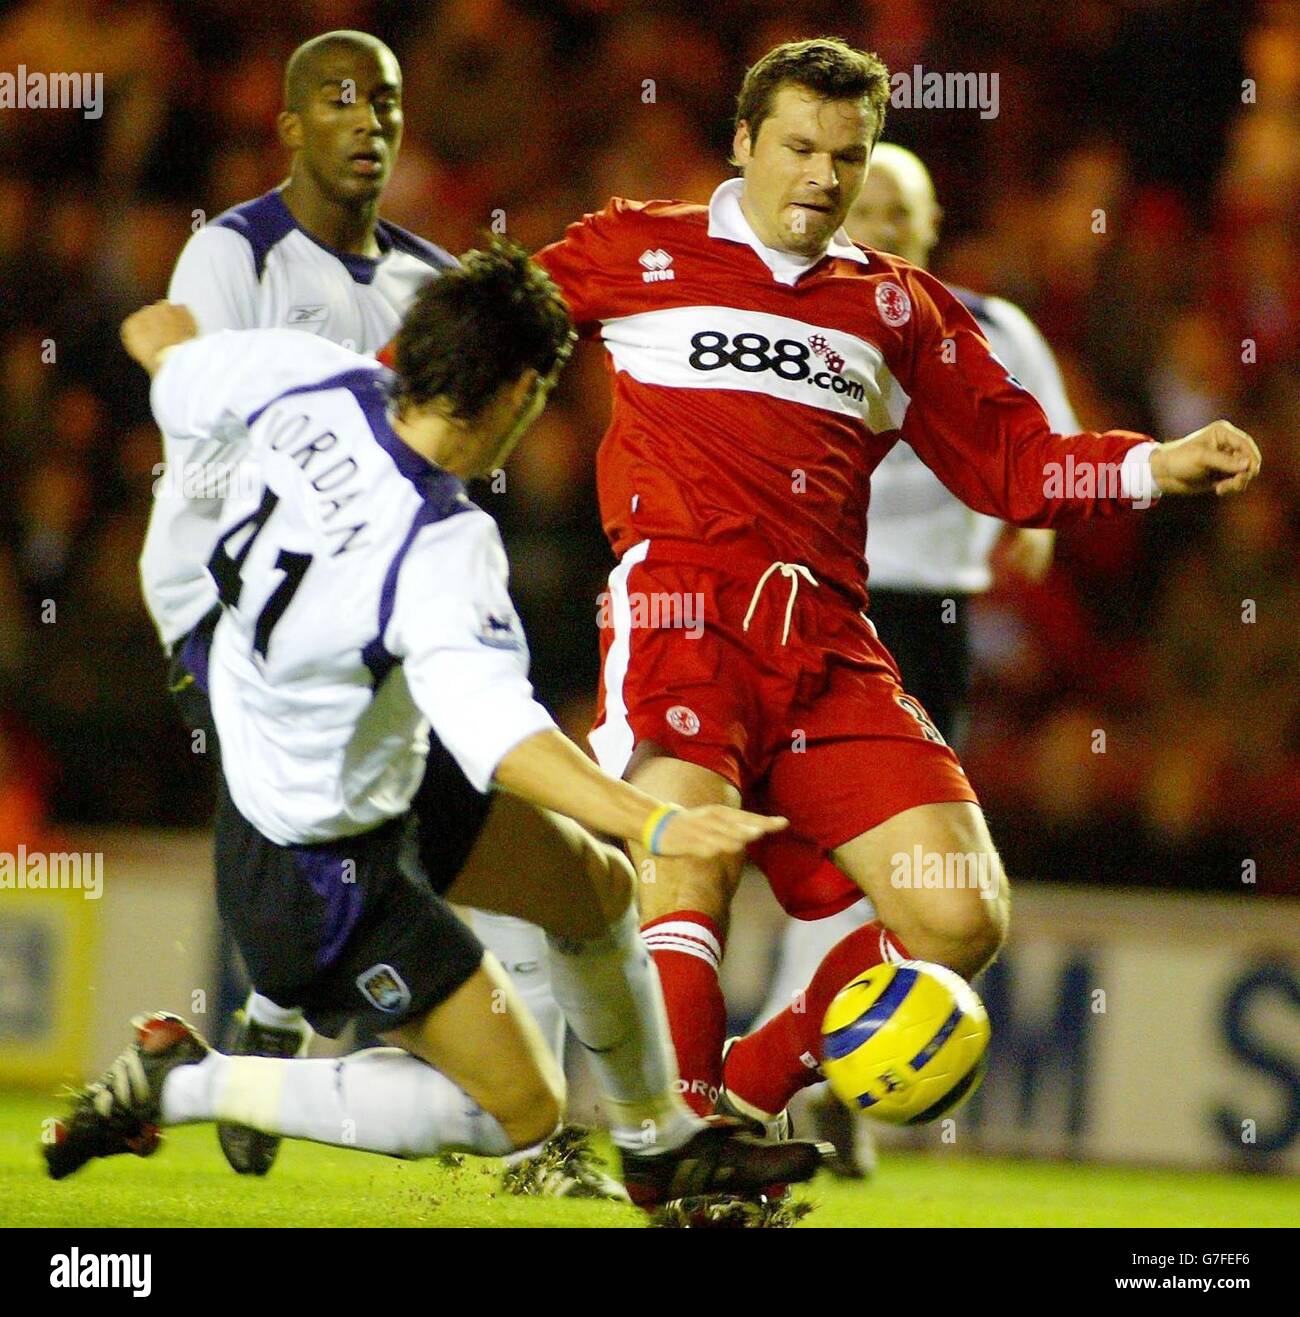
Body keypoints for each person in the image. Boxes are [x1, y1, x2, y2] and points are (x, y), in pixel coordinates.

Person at [530, 37, 1260, 1152]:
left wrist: (1153, 465)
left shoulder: (899, 311)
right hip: (684, 615)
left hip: (827, 641)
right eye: (800, 148)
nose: (822, 178)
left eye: (846, 155)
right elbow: (481, 330)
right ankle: (667, 1157)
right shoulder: (635, 247)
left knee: (960, 917)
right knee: (688, 850)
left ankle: (733, 1103)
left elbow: (1017, 468)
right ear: (742, 143)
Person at [45, 242, 827, 1213]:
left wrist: (179, 351)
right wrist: (656, 820)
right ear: (514, 395)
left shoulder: (304, 377)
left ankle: (656, 1145)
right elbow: (504, 739)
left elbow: (157, 341)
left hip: (343, 749)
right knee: (514, 1111)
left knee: (593, 888)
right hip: (315, 858)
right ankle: (184, 1082)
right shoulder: (440, 547)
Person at [143, 28, 585, 1193]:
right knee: (335, 804)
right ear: (289, 125)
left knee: (497, 837)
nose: (368, 120)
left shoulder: (427, 279)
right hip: (219, 592)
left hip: (379, 609)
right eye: (338, 100)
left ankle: (283, 1020)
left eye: (385, 101)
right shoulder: (232, 255)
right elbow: (198, 428)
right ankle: (279, 1012)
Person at [750, 142, 1082, 1176]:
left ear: (932, 228)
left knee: (888, 880)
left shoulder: (987, 329)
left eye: (903, 209)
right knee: (828, 868)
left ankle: (807, 1074)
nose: (884, 223)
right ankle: (777, 1073)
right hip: (808, 608)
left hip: (926, 617)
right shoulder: (792, 314)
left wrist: (1038, 519)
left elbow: (1051, 463)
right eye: (870, 203)